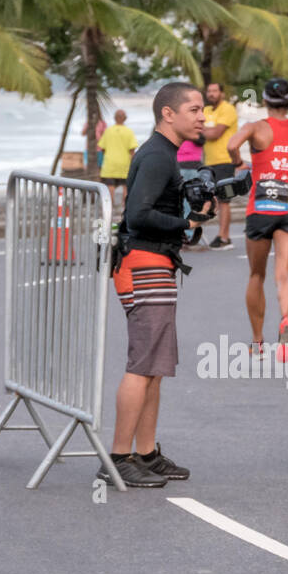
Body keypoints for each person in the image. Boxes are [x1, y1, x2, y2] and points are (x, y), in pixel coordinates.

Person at [101, 82, 209, 488]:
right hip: (143, 264)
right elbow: (138, 214)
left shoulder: (165, 154)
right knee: (143, 365)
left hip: (156, 263)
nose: (202, 117)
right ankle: (116, 457)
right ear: (169, 114)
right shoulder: (156, 157)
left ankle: (144, 453)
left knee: (155, 368)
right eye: (194, 110)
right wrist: (188, 223)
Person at [224, 78, 288, 362]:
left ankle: (257, 342)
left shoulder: (255, 127)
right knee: (284, 275)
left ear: (266, 101)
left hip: (260, 209)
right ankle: (285, 319)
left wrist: (239, 163)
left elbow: (232, 145)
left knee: (257, 275)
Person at [201, 82, 238, 248]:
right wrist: (205, 131)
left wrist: (201, 130)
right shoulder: (206, 111)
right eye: (209, 91)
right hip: (209, 163)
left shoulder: (227, 109)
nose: (211, 94)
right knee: (209, 199)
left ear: (221, 93)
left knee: (225, 200)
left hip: (226, 162)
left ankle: (224, 236)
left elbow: (216, 133)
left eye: (215, 91)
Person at [98, 109, 138, 207]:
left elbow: (102, 148)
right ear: (125, 118)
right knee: (126, 187)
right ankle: (125, 208)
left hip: (110, 164)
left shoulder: (108, 131)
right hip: (124, 164)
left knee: (110, 187)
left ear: (115, 118)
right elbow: (132, 150)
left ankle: (110, 207)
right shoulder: (129, 132)